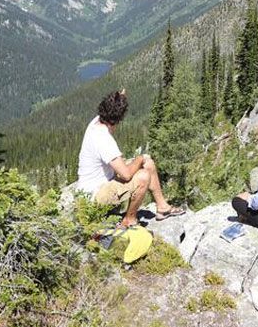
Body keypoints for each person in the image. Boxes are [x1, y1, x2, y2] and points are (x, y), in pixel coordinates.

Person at [77, 90, 184, 229]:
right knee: (143, 176)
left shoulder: (97, 121)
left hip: (98, 186)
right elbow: (126, 175)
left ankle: (163, 207)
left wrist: (120, 98)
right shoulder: (103, 139)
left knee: (148, 163)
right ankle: (129, 220)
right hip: (94, 196)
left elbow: (111, 106)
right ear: (118, 119)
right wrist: (139, 159)